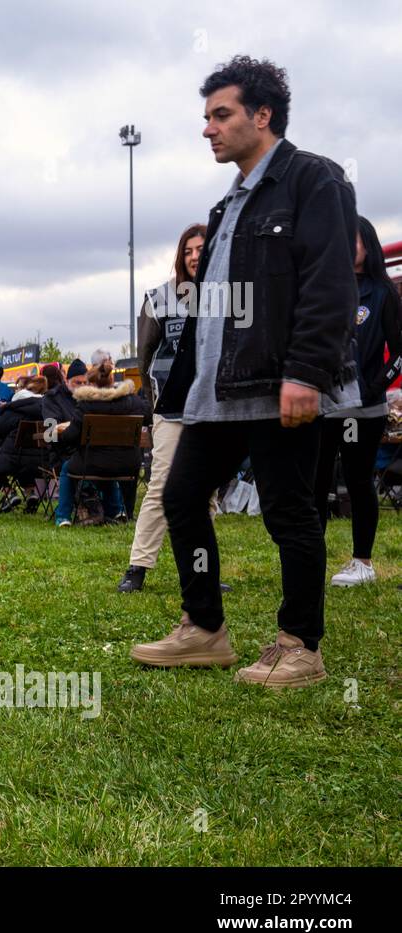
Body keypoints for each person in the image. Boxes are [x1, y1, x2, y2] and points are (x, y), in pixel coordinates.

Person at [132, 56, 360, 688]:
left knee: (289, 513)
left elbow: (329, 282)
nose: (208, 128)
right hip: (218, 391)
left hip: (277, 384)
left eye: (221, 114)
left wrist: (307, 372)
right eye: (206, 117)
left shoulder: (314, 180)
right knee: (179, 498)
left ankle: (300, 646)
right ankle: (205, 630)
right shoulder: (225, 203)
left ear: (263, 115)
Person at [117, 224, 208, 589]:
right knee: (161, 486)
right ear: (179, 256)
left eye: (201, 248)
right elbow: (145, 357)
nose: (195, 256)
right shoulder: (158, 297)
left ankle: (203, 571)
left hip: (211, 408)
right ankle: (137, 567)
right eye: (188, 250)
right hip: (170, 405)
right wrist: (155, 400)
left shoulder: (228, 297)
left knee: (206, 492)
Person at [313, 215, 402, 586]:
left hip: (363, 410)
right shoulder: (325, 288)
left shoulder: (382, 293)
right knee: (317, 481)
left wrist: (374, 386)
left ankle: (362, 561)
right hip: (323, 405)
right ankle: (311, 560)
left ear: (368, 244)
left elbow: (398, 352)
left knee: (358, 479)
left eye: (354, 241)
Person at [52, 357, 150, 525]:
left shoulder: (86, 405)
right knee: (108, 462)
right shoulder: (133, 402)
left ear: (91, 383)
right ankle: (118, 511)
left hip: (91, 464)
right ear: (112, 379)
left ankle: (63, 516)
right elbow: (149, 416)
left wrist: (61, 431)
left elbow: (70, 437)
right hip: (128, 464)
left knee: (67, 468)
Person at [0, 375, 46, 512]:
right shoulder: (47, 409)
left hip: (14, 457)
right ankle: (30, 494)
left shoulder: (16, 409)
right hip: (42, 461)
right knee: (24, 468)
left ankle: (10, 494)